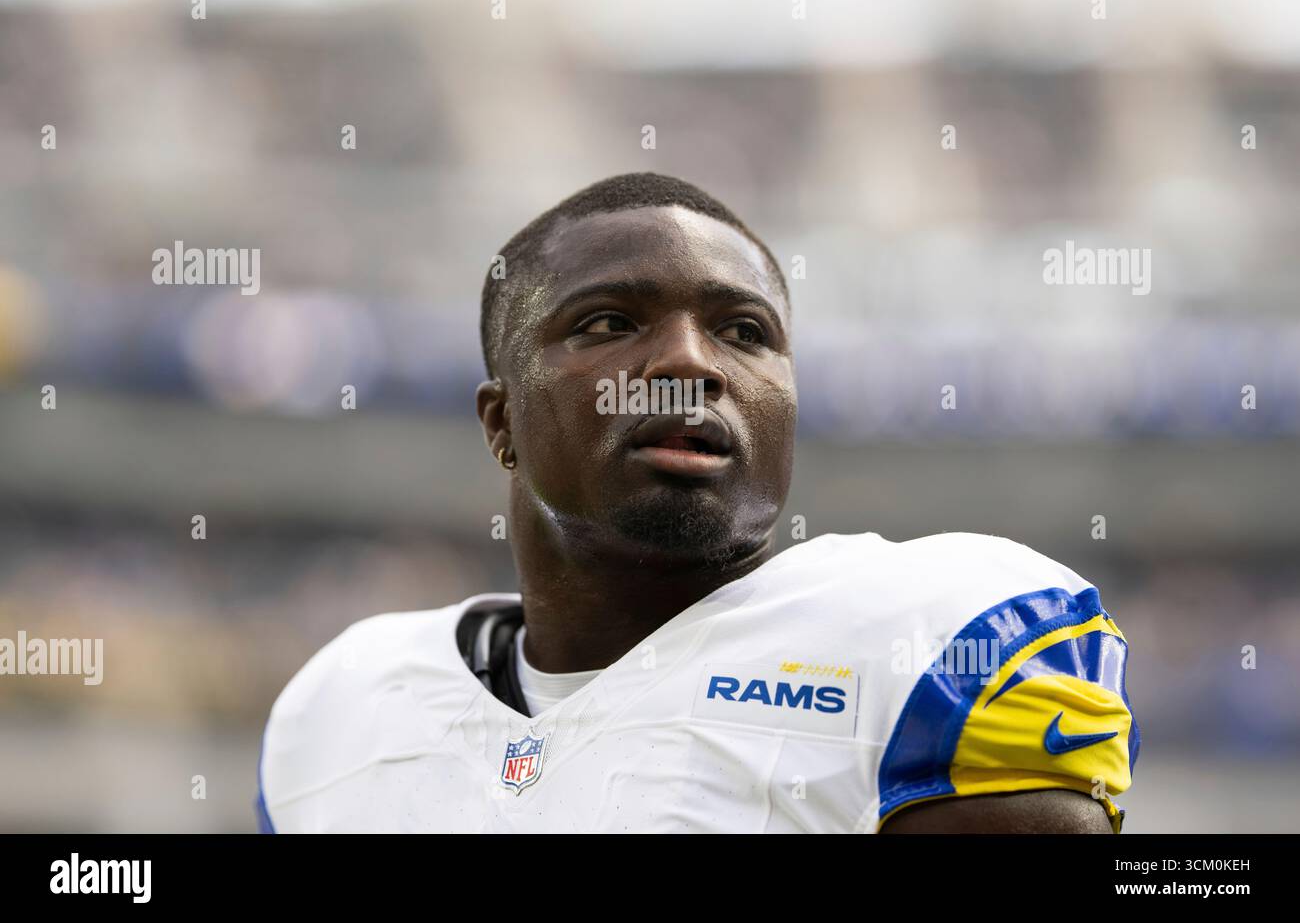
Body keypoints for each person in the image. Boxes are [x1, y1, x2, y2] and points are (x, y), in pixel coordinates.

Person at [257, 172, 1138, 832]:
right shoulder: (340, 704)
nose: (690, 364)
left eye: (744, 332)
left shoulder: (936, 645)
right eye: (607, 322)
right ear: (503, 423)